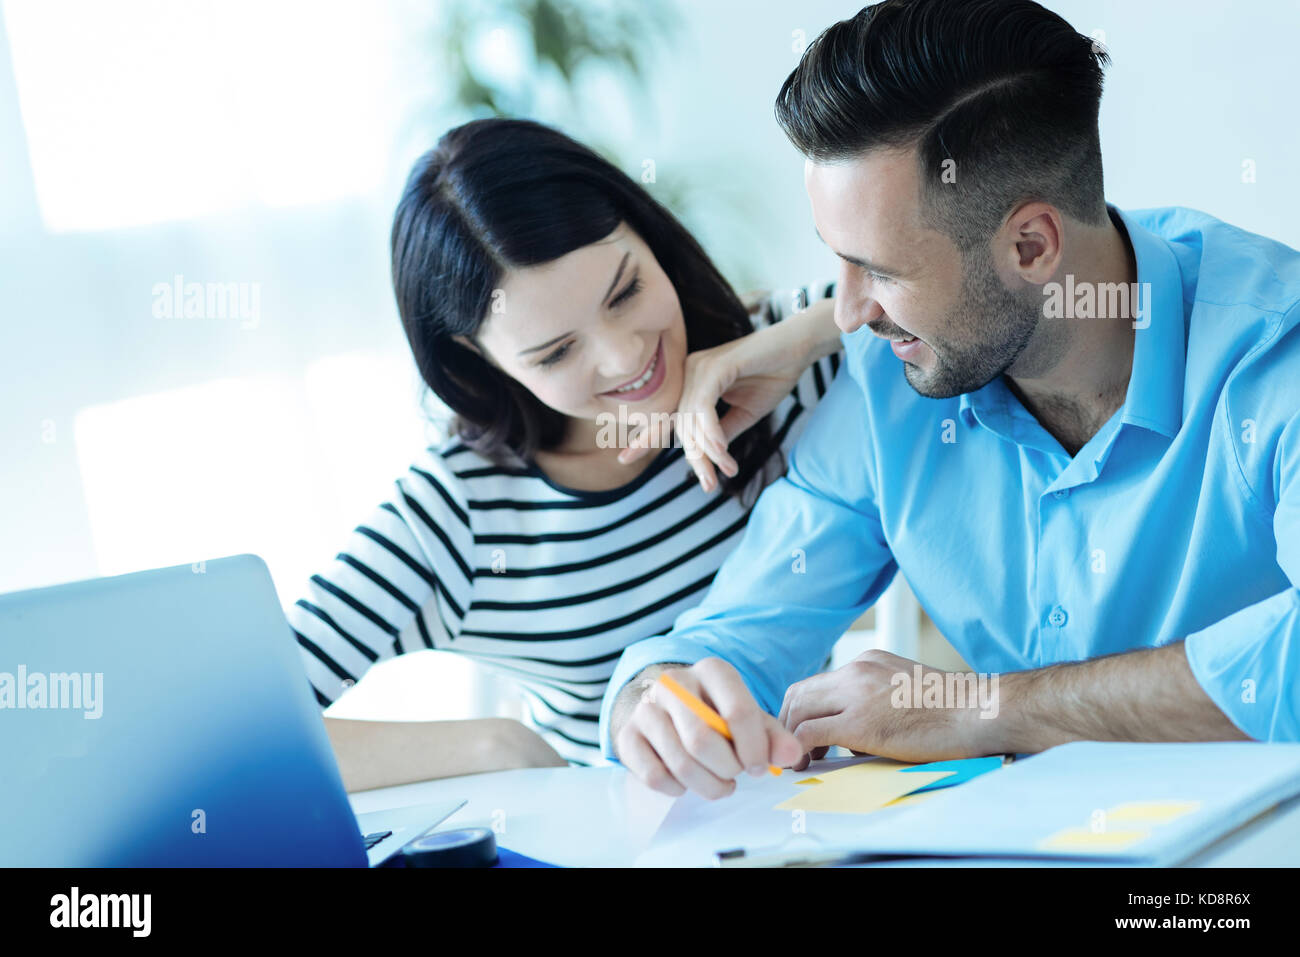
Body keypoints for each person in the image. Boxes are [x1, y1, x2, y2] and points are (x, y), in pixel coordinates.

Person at [603, 0, 1300, 800]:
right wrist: (657, 697)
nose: (845, 313)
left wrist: (981, 707)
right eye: (839, 262)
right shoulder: (888, 388)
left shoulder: (1275, 349)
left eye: (883, 272)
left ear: (1031, 245)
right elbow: (736, 635)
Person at [288, 117, 845, 790]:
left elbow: (946, 309)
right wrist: (501, 747)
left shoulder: (785, 363)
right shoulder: (459, 514)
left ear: (645, 231)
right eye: (555, 351)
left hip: (825, 812)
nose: (627, 356)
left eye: (627, 291)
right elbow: (234, 731)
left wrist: (807, 337)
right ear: (477, 358)